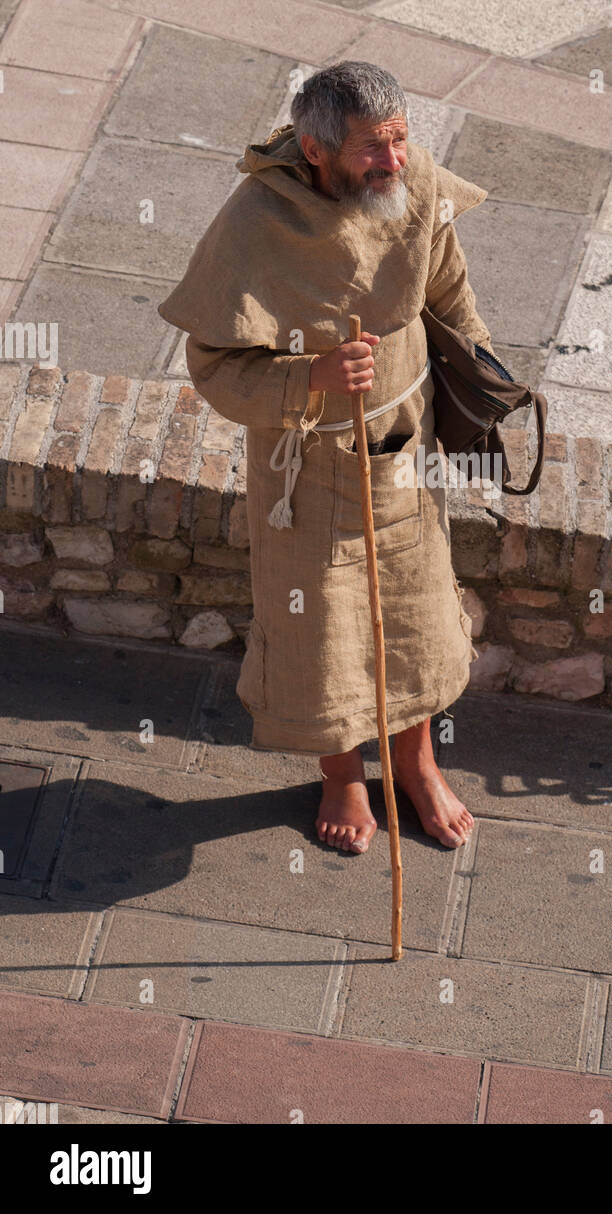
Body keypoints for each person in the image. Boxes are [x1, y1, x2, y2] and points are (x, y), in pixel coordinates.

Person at [157, 61, 494, 855]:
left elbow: (446, 285)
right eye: (374, 149)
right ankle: (342, 772)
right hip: (303, 468)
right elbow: (213, 365)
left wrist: (483, 378)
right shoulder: (254, 225)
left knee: (412, 613)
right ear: (315, 150)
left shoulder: (413, 183)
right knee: (323, 631)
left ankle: (415, 762)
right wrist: (308, 376)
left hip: (402, 439)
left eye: (402, 139)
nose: (394, 162)